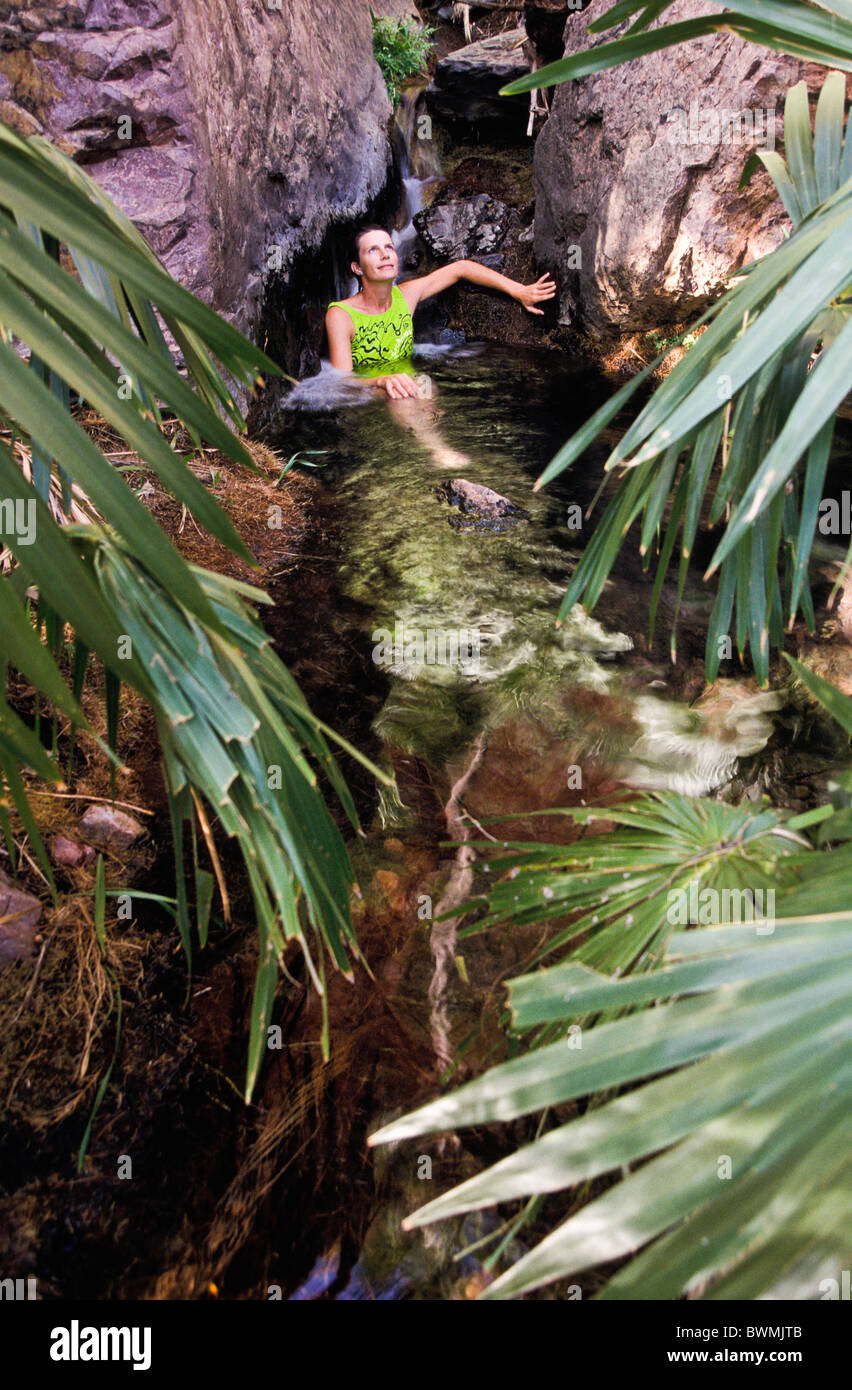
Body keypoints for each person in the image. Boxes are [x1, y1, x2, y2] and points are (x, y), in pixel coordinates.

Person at [325, 223, 557, 399]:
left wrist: (519, 291)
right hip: (369, 394)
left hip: (409, 384)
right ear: (356, 267)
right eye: (372, 250)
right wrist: (381, 381)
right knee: (406, 392)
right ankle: (438, 451)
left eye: (389, 247)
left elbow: (461, 269)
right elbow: (342, 382)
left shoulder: (406, 296)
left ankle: (437, 448)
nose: (385, 254)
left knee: (424, 383)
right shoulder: (341, 315)